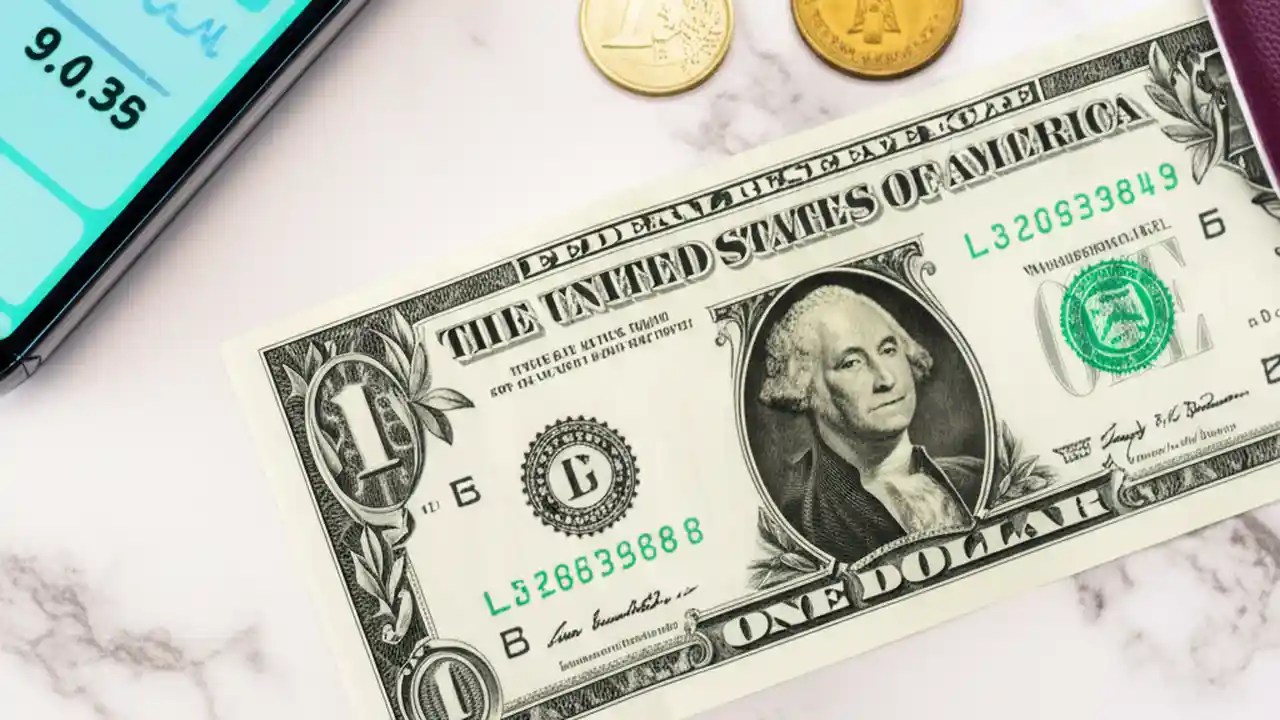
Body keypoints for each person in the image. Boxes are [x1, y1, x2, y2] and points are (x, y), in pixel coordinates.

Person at [759, 285, 980, 563]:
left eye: (888, 349)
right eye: (852, 363)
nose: (886, 379)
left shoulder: (975, 478)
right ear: (804, 386)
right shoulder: (798, 528)